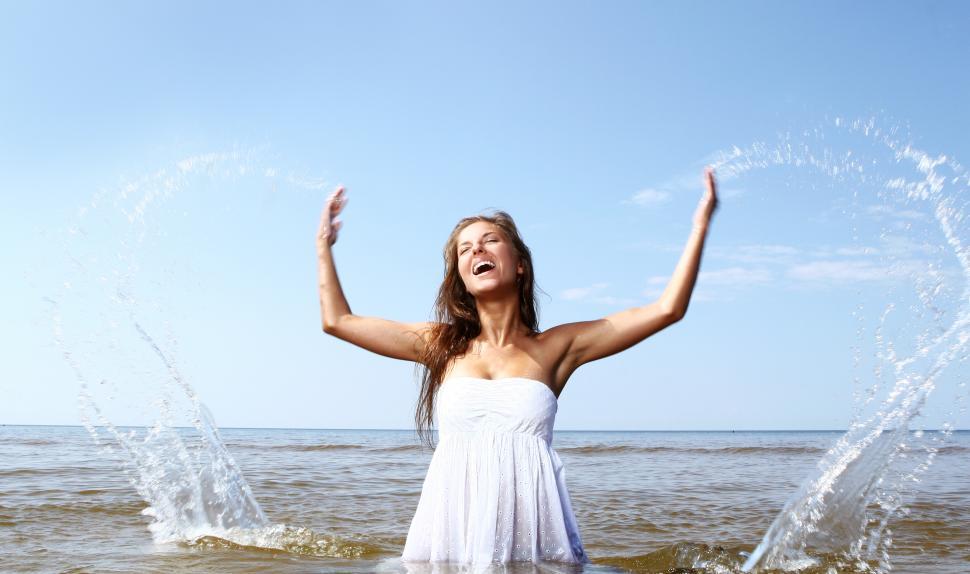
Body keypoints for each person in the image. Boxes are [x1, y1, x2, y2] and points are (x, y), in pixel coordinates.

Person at [315, 169, 718, 566]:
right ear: (461, 276)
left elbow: (667, 309)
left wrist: (700, 225)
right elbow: (338, 321)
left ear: (520, 263)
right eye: (465, 249)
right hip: (451, 534)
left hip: (534, 537)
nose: (477, 250)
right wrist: (323, 245)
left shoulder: (557, 347)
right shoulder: (441, 344)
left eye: (491, 241)